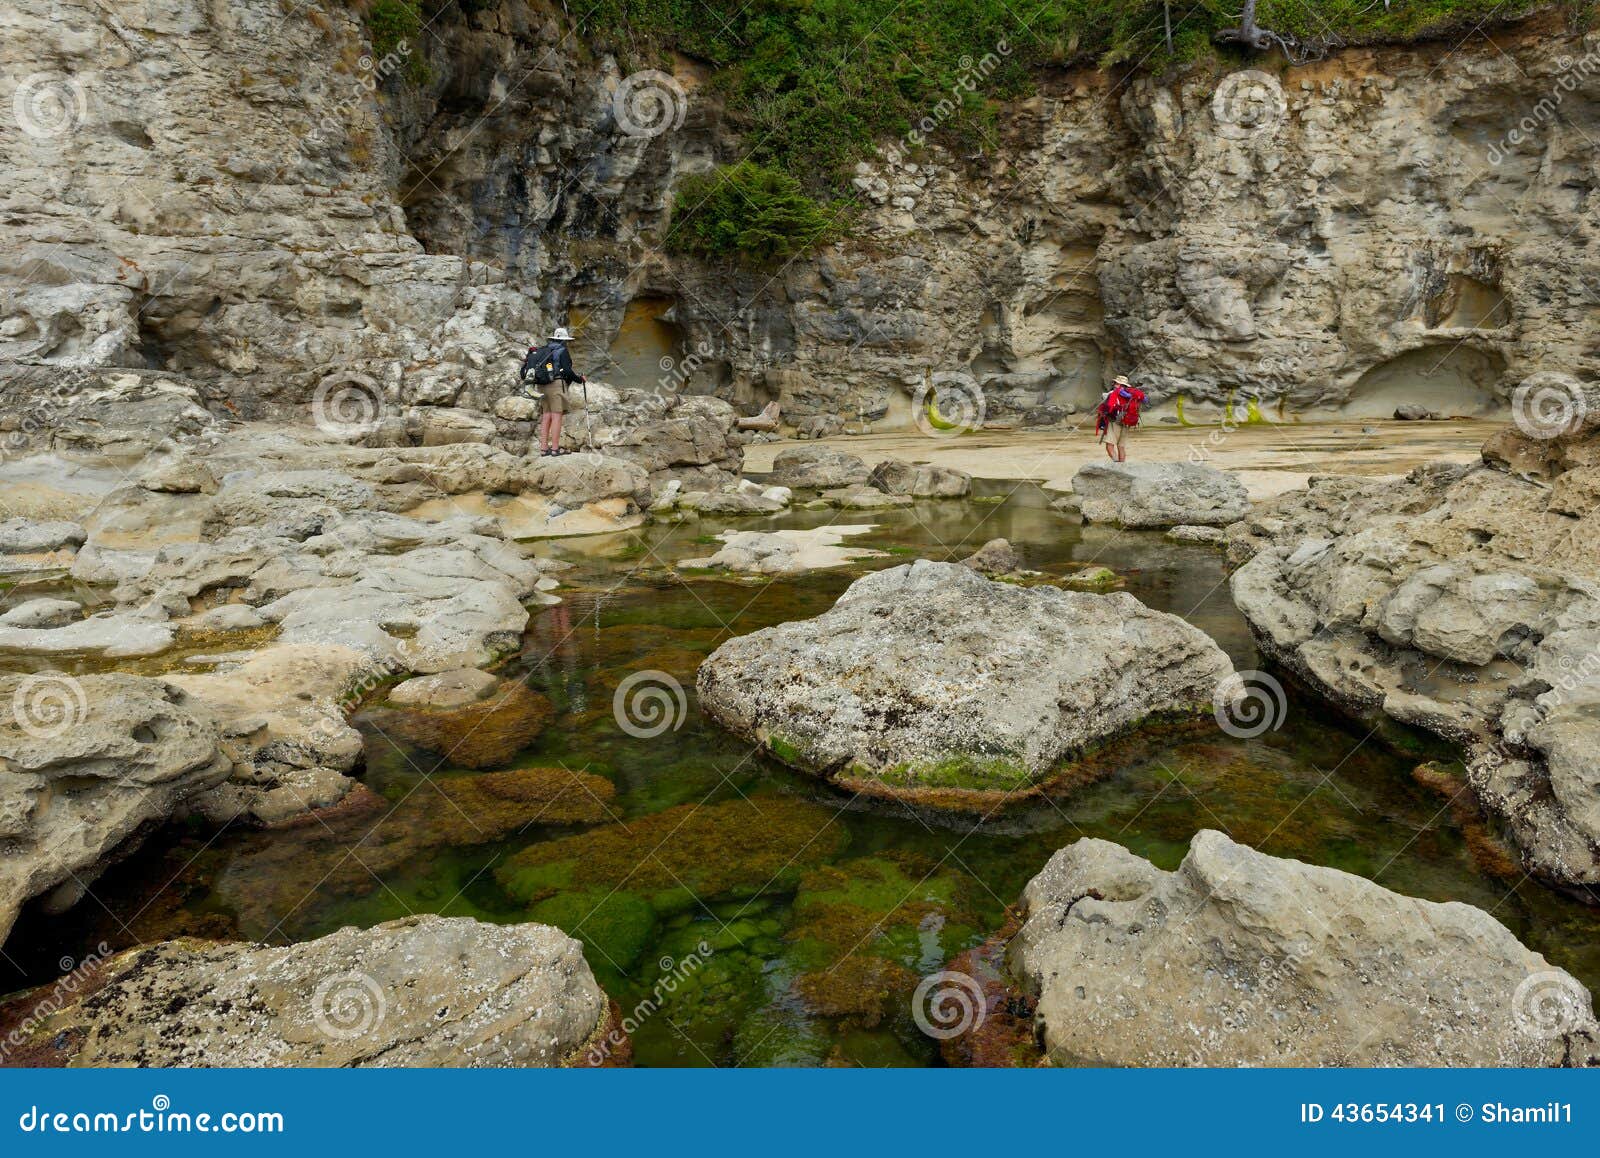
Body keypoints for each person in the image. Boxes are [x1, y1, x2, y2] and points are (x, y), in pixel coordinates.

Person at [520, 326, 587, 456]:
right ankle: (555, 449)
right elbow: (567, 371)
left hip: (542, 385)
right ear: (564, 340)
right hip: (556, 385)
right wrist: (580, 379)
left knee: (546, 416)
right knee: (556, 416)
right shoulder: (562, 351)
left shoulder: (544, 350)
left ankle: (544, 449)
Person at [1095, 374, 1145, 463]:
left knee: (1109, 446)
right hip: (1127, 422)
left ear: (1118, 384)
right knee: (1121, 447)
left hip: (1115, 422)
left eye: (1115, 383)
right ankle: (1122, 465)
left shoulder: (1112, 393)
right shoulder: (1132, 395)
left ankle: (1117, 465)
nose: (1114, 384)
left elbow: (1106, 406)